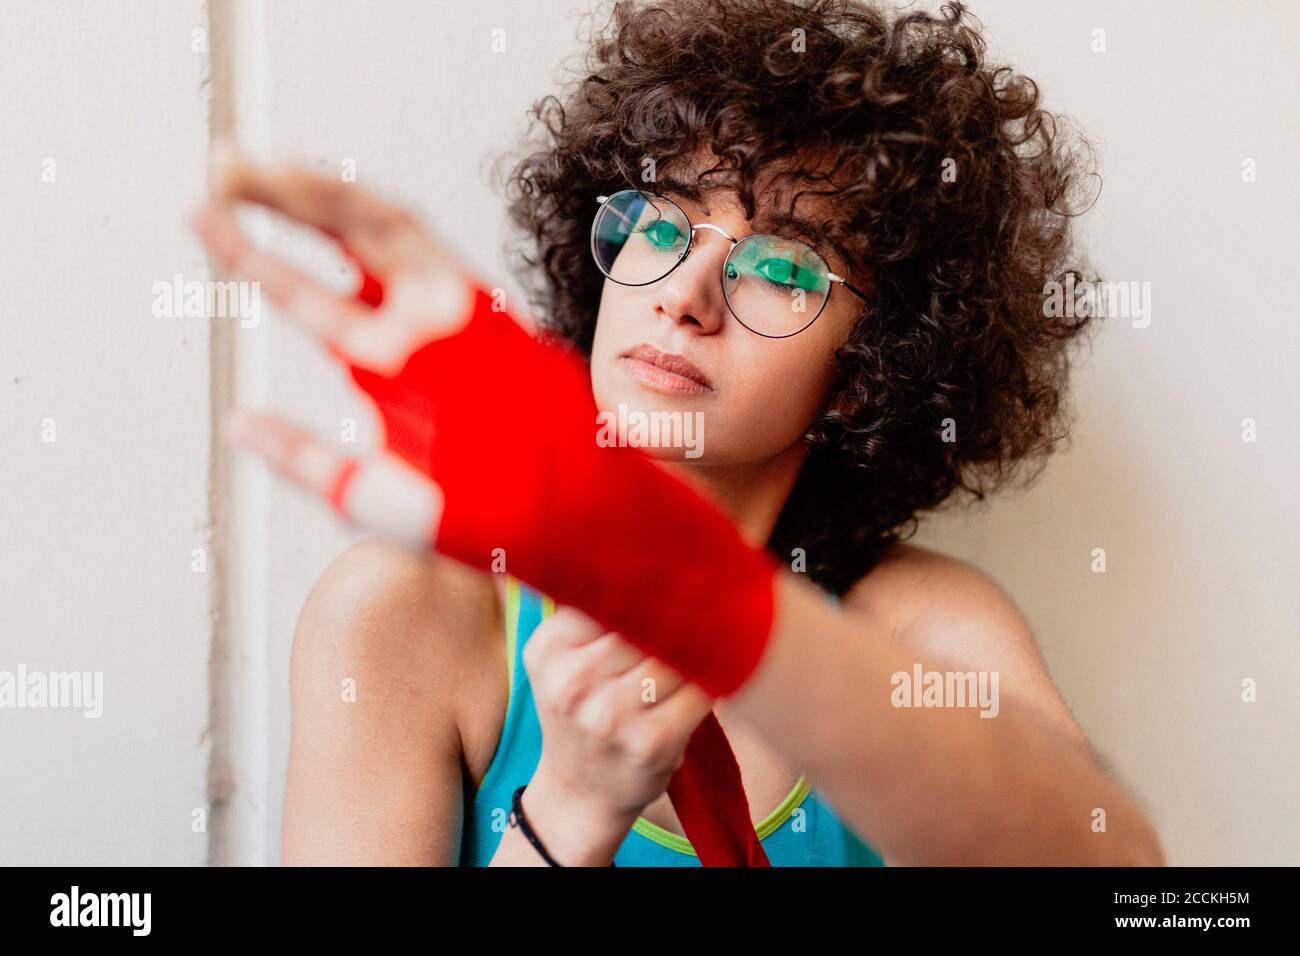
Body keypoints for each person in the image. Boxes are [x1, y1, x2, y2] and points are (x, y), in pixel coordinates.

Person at [189, 0, 1165, 866]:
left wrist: (710, 606)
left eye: (783, 270)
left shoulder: (913, 621)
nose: (684, 298)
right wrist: (565, 814)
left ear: (862, 381)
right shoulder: (404, 614)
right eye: (660, 227)